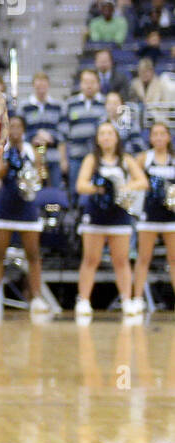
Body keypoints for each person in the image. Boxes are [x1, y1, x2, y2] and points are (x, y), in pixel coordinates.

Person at [75, 121, 146, 320]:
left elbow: (142, 181)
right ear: (97, 138)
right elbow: (81, 185)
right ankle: (83, 300)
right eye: (102, 133)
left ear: (116, 137)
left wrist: (124, 187)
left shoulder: (126, 159)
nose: (106, 137)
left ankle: (126, 300)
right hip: (96, 214)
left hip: (119, 215)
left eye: (109, 133)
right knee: (91, 259)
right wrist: (99, 188)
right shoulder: (92, 159)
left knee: (121, 260)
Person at [0, 114, 50, 318]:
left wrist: (36, 166)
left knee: (32, 254)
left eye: (18, 127)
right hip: (5, 207)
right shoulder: (1, 150)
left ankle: (37, 297)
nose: (14, 130)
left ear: (23, 129)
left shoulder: (32, 150)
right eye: (11, 126)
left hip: (27, 207)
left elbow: (42, 175)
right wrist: (9, 161)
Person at [132, 122, 175, 311]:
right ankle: (136, 299)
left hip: (171, 217)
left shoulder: (174, 158)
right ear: (150, 138)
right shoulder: (143, 158)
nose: (158, 137)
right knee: (143, 258)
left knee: (173, 259)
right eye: (155, 134)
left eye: (162, 134)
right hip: (149, 216)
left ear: (168, 137)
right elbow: (133, 180)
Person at [18, 71, 68, 183]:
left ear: (48, 85)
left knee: (55, 190)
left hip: (54, 156)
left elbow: (64, 131)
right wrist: (34, 136)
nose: (41, 88)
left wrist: (50, 137)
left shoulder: (58, 106)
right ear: (33, 86)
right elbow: (20, 130)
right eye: (38, 85)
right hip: (32, 156)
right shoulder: (24, 107)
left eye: (44, 85)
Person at [64, 68, 107, 188]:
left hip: (99, 157)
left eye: (92, 82)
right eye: (85, 82)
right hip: (76, 156)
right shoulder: (70, 103)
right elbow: (64, 133)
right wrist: (64, 159)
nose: (89, 85)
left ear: (98, 84)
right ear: (80, 84)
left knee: (97, 190)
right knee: (76, 190)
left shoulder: (105, 103)